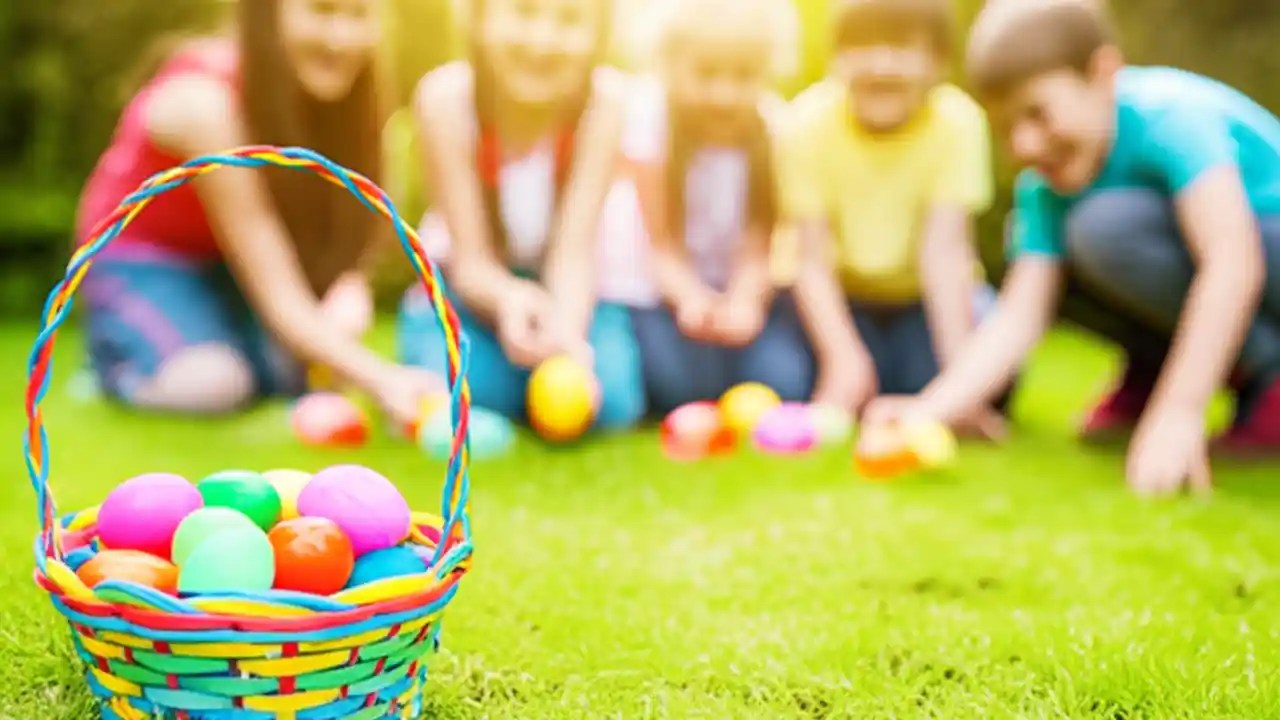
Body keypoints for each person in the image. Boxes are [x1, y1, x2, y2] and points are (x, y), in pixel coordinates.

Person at [867, 0, 1280, 494]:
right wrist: (929, 411)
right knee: (1067, 242)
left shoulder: (1171, 117)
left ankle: (1269, 379)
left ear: (1101, 73)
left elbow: (1231, 261)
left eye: (1038, 113)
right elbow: (1020, 315)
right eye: (1005, 128)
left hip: (1264, 245)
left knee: (1105, 228)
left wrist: (1180, 412)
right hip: (1230, 271)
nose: (1024, 145)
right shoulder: (1046, 187)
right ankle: (1152, 369)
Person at [75, 0, 441, 426]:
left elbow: (353, 229)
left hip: (227, 262)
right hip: (144, 259)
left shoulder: (337, 106)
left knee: (289, 371)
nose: (341, 38)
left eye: (358, 15)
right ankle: (113, 367)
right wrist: (383, 379)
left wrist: (349, 286)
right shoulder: (204, 103)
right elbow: (272, 277)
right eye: (322, 11)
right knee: (214, 383)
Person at [397, 0, 646, 430]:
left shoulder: (605, 103)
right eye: (524, 11)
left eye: (569, 19)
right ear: (481, 17)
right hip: (470, 292)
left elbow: (574, 252)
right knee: (471, 391)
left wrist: (565, 338)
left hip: (567, 288)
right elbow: (471, 262)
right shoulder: (446, 100)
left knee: (614, 402)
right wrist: (509, 299)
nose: (542, 41)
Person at [779, 0, 998, 416]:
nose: (881, 64)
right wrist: (843, 359)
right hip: (844, 301)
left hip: (920, 303)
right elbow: (811, 260)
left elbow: (945, 254)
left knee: (984, 363)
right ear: (835, 59)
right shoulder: (805, 124)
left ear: (938, 62)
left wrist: (961, 382)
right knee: (790, 376)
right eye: (863, 46)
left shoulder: (959, 122)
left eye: (901, 47)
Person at [595, 0, 812, 415]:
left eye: (743, 75)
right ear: (669, 65)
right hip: (656, 291)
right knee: (677, 385)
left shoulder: (770, 126)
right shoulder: (650, 120)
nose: (723, 93)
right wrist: (692, 299)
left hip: (728, 287)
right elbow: (661, 244)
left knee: (785, 381)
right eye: (707, 74)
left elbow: (759, 244)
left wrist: (744, 302)